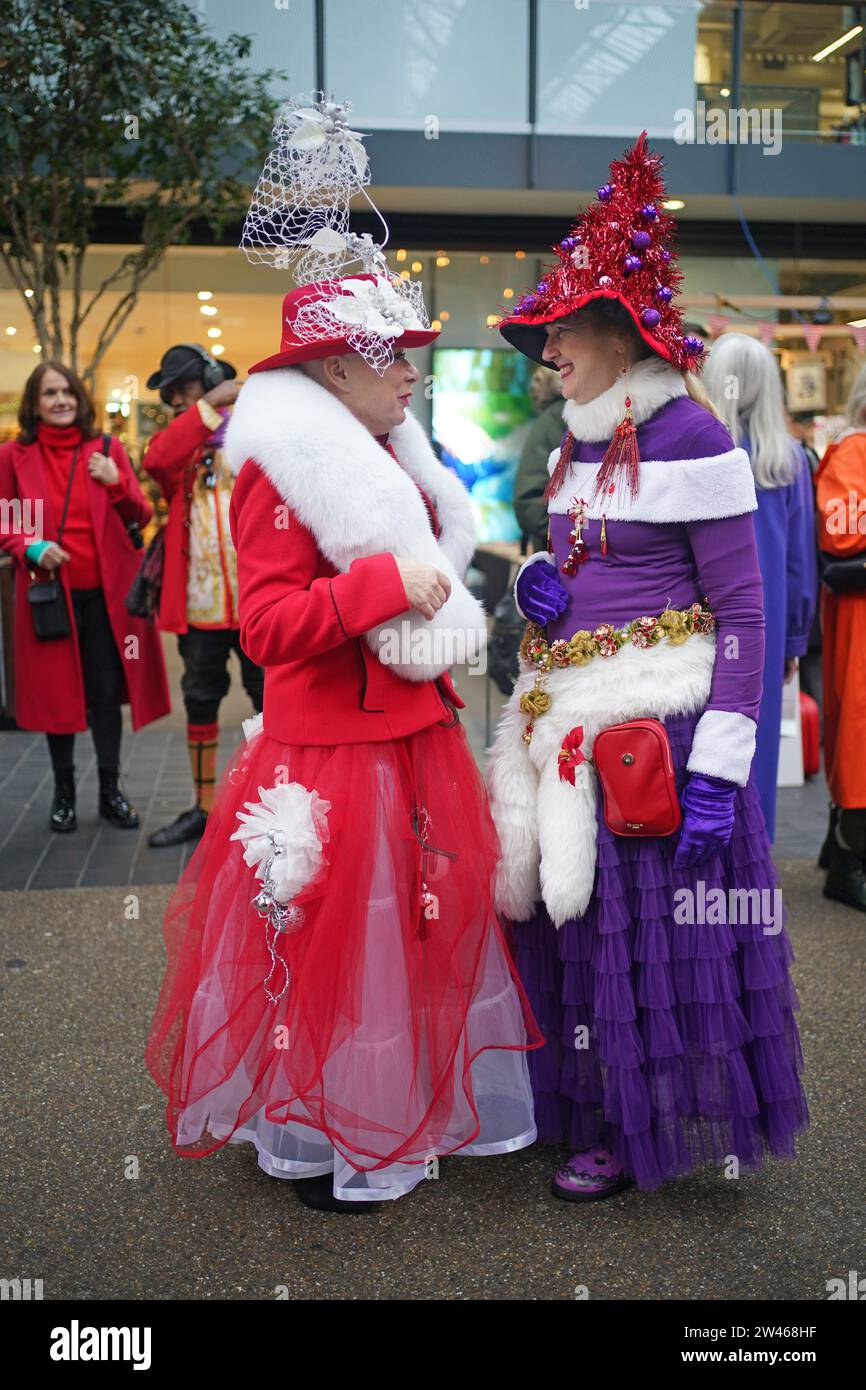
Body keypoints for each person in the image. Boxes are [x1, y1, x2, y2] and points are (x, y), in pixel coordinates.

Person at [146, 96, 540, 1211]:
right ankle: (331, 1130)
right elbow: (268, 627)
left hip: (409, 734)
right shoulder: (283, 470)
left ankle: (390, 1111)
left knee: (404, 938)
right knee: (334, 946)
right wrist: (385, 583)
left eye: (412, 358)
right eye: (395, 358)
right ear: (333, 370)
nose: (413, 374)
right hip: (329, 752)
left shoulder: (395, 463)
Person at [488, 134, 808, 1201]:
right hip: (569, 714)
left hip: (651, 739)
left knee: (641, 956)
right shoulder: (581, 437)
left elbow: (745, 612)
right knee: (578, 942)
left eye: (560, 333)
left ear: (617, 334)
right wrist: (541, 581)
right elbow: (587, 559)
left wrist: (721, 765)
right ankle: (579, 1105)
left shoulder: (691, 440)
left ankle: (632, 1134)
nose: (547, 354)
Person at [0, 362, 170, 831]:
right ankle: (63, 792)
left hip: (106, 597)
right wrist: (29, 546)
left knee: (102, 694)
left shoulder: (107, 448)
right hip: (48, 596)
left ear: (80, 399)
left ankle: (111, 790)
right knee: (59, 696)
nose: (60, 401)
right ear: (34, 403)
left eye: (68, 392)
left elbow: (138, 512)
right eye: (50, 393)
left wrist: (116, 480)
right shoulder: (14, 456)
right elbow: (5, 520)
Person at [142, 344, 264, 848]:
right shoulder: (184, 443)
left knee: (269, 701)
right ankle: (204, 808)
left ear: (212, 380)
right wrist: (206, 404)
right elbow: (156, 459)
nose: (173, 399)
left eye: (182, 388)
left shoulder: (252, 434)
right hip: (203, 603)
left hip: (260, 599)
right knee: (199, 699)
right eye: (171, 393)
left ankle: (271, 797)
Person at [704, 334, 817, 843]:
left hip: (700, 621)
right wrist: (795, 640)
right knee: (758, 738)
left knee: (701, 740)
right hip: (763, 629)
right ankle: (754, 852)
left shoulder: (700, 453)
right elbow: (799, 563)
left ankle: (702, 850)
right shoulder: (788, 461)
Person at [815, 363, 866, 911]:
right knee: (857, 730)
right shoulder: (853, 451)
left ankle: (842, 841)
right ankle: (851, 854)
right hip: (858, 619)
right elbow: (843, 532)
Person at [513, 367, 565, 552]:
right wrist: (579, 530)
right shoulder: (558, 419)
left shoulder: (553, 419)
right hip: (561, 558)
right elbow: (529, 504)